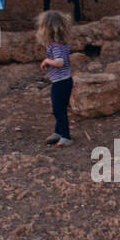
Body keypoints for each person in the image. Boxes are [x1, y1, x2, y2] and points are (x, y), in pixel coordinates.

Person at [37, 10, 73, 146]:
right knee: (58, 108)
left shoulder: (55, 46)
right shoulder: (62, 44)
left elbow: (59, 62)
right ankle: (58, 132)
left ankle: (66, 136)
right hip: (64, 81)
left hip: (60, 82)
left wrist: (47, 61)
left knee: (59, 109)